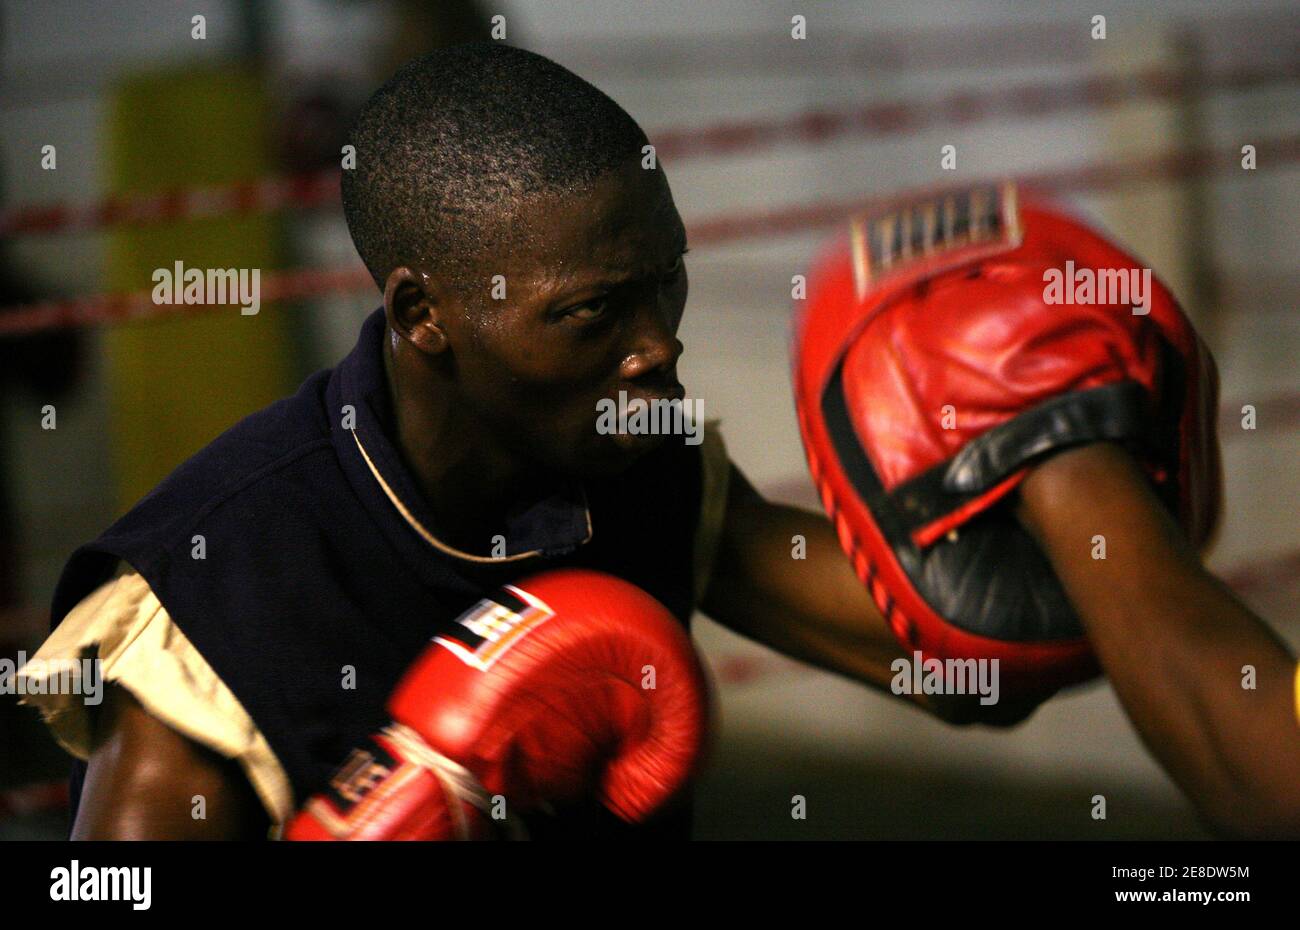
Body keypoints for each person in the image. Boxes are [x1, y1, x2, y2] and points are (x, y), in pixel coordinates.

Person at [18, 43, 1005, 841]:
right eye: (593, 313)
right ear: (424, 313)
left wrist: (1056, 455)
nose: (658, 344)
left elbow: (969, 672)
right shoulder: (209, 599)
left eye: (666, 279)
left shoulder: (644, 464)